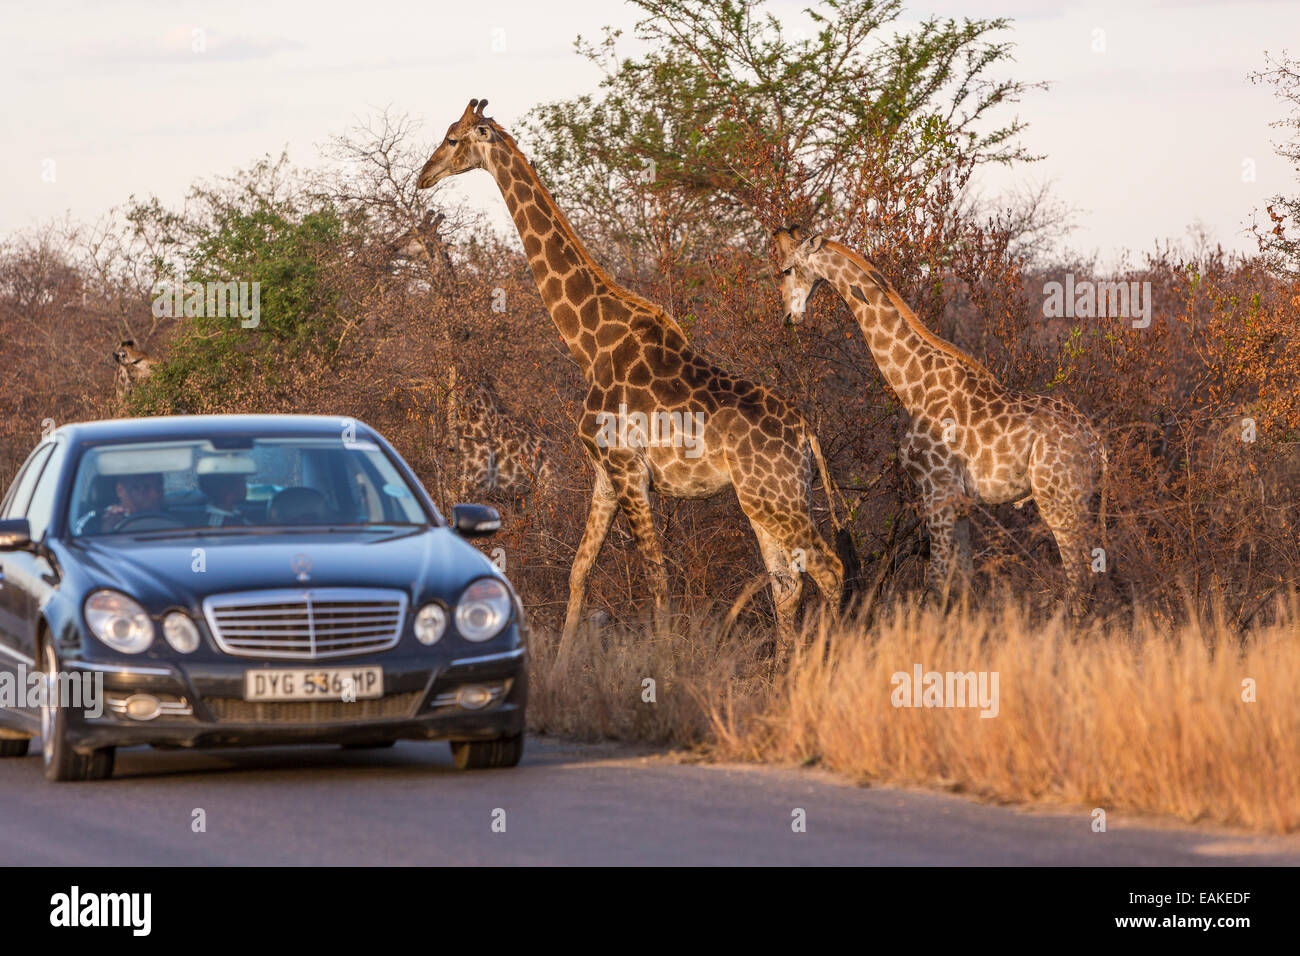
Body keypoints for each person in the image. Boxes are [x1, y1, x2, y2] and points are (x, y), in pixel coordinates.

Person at [97, 473, 164, 532]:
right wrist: (109, 527)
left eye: (158, 487)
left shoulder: (172, 519)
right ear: (120, 490)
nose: (155, 495)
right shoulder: (110, 521)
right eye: (143, 488)